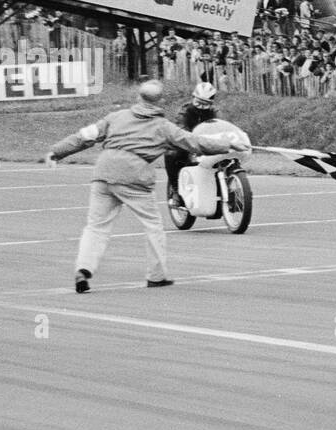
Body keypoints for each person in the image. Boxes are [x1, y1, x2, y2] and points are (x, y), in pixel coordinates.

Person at [46, 79, 249, 292]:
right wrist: (228, 144)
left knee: (96, 226)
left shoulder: (115, 117)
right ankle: (156, 275)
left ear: (138, 98)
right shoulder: (163, 127)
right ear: (160, 101)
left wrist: (56, 151)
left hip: (104, 173)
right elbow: (195, 142)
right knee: (152, 225)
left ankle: (84, 269)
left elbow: (85, 136)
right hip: (135, 176)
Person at [165, 80, 221, 205]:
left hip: (207, 143)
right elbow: (180, 129)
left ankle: (229, 189)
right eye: (198, 102)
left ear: (211, 103)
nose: (200, 107)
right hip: (189, 143)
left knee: (226, 158)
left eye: (205, 104)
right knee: (172, 154)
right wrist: (191, 142)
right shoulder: (184, 111)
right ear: (193, 98)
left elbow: (223, 126)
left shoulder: (215, 112)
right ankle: (176, 191)